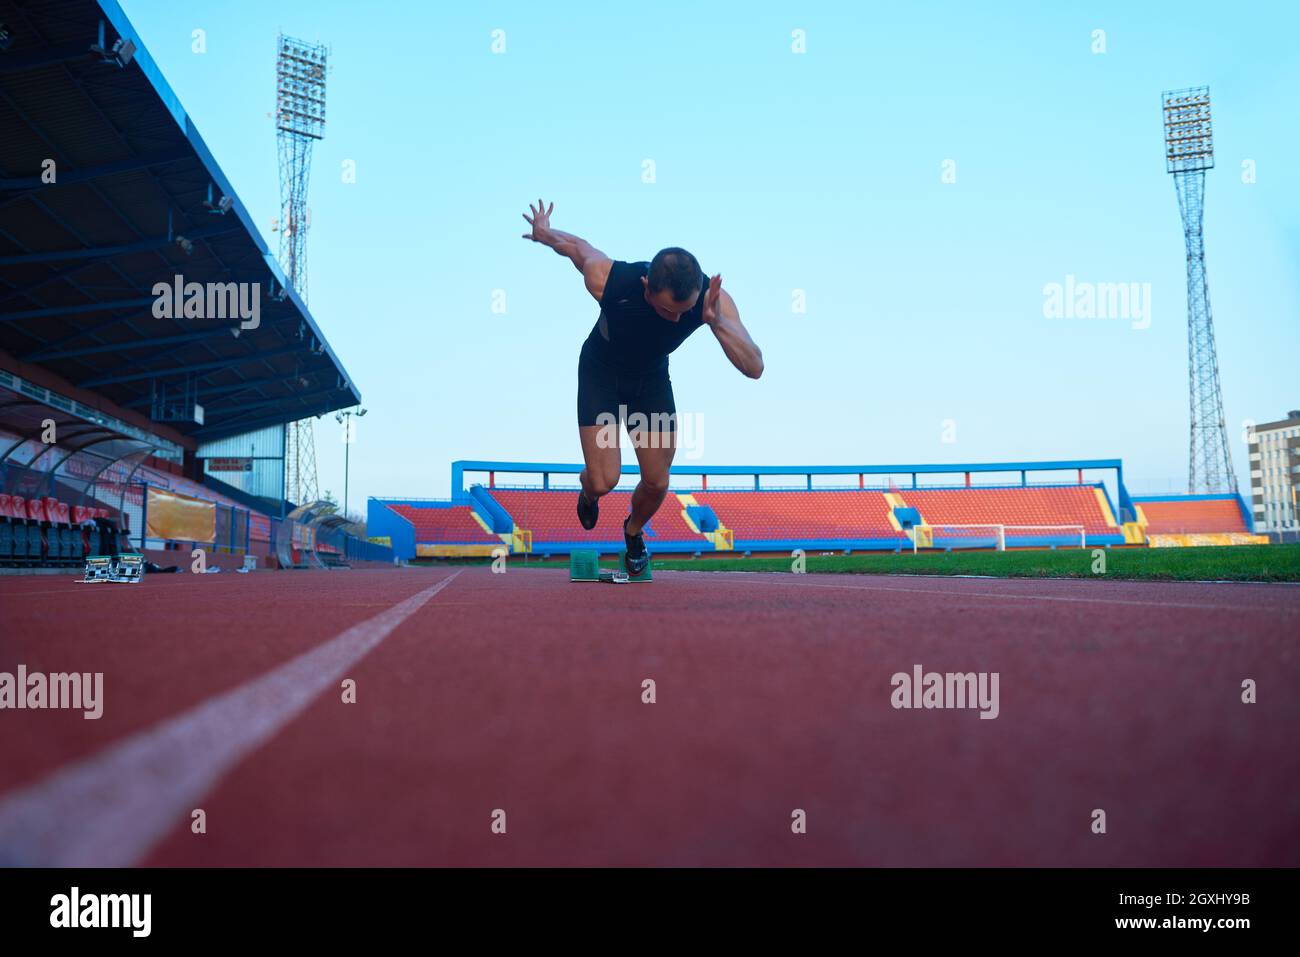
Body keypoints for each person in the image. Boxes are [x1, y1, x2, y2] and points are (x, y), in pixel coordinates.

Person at [522, 200, 764, 574]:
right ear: (647, 285)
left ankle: (633, 532)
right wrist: (544, 233)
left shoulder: (709, 301)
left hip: (649, 383)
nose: (676, 318)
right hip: (601, 374)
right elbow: (577, 247)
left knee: (656, 481)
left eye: (683, 311)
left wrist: (716, 324)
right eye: (667, 310)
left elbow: (754, 366)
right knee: (605, 480)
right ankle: (587, 491)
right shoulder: (611, 279)